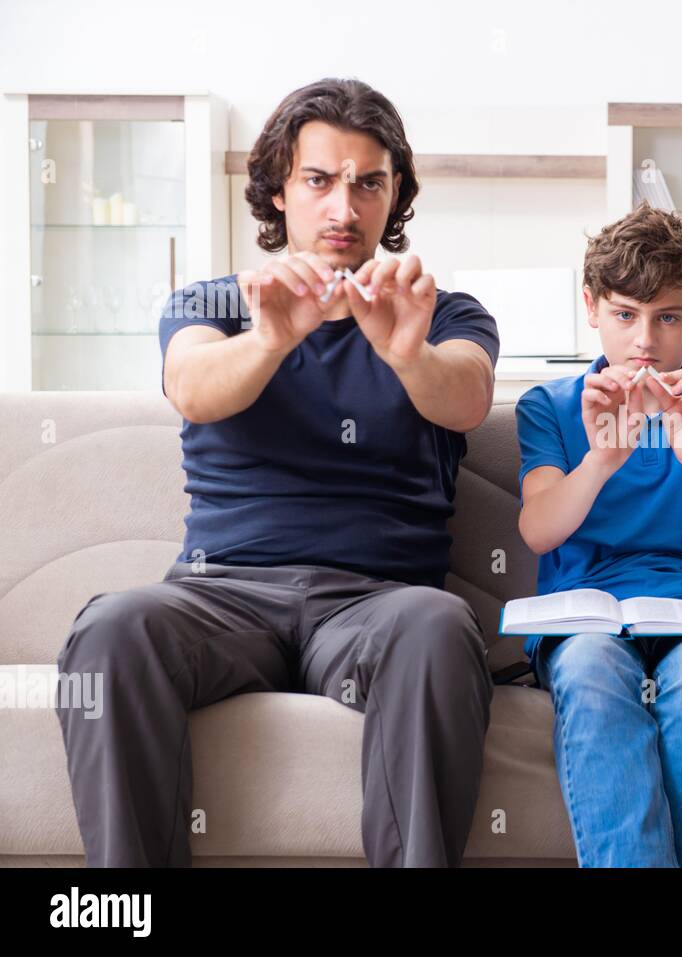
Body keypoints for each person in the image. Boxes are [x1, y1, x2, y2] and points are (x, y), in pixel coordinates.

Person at [54, 77, 500, 867]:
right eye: (319, 180)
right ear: (278, 192)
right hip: (221, 592)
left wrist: (405, 353)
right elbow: (193, 386)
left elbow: (466, 397)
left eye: (370, 183)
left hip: (380, 601)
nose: (344, 207)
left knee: (438, 627)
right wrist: (270, 340)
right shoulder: (212, 303)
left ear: (393, 199)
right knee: (112, 628)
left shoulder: (439, 311)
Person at [514, 204, 682, 866]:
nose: (645, 341)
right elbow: (539, 530)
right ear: (592, 307)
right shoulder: (549, 405)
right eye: (625, 314)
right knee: (594, 673)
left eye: (669, 317)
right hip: (586, 615)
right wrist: (603, 457)